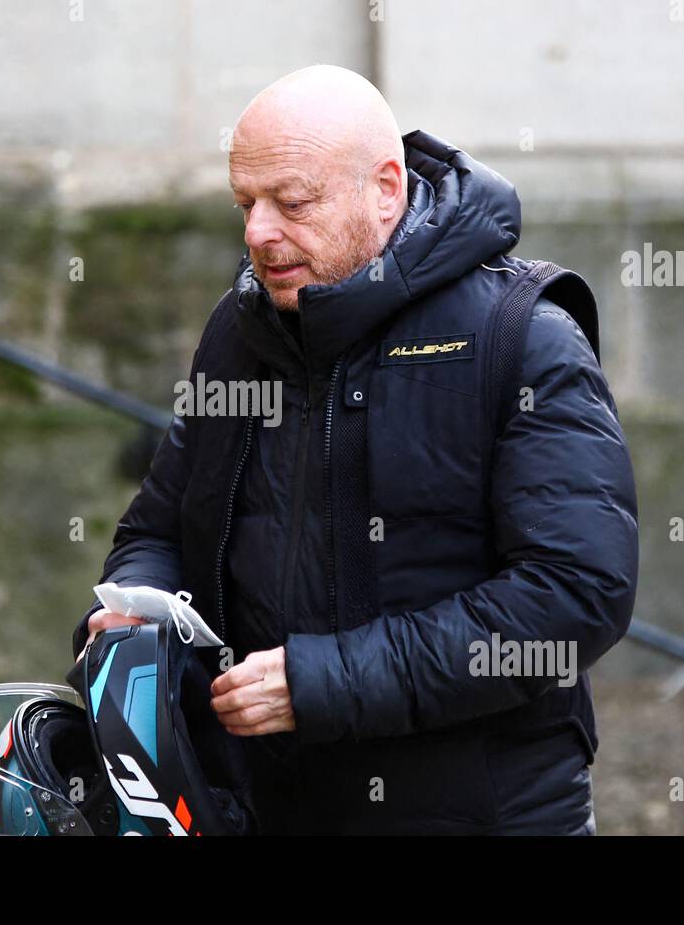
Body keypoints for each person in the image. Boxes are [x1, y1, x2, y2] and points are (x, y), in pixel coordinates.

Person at [72, 64, 638, 834]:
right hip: (260, 809)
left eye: (292, 203)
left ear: (384, 189)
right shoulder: (241, 332)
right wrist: (134, 619)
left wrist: (316, 686)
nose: (257, 234)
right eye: (245, 204)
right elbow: (161, 530)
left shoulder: (524, 336)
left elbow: (574, 596)